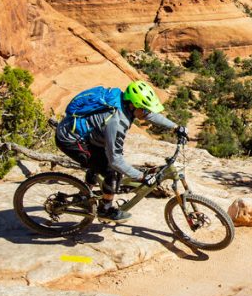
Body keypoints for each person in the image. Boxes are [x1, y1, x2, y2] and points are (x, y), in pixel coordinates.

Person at [54, 80, 188, 222]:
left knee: (102, 162)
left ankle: (83, 195)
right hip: (71, 140)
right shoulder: (117, 122)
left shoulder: (123, 100)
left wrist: (175, 127)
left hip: (84, 134)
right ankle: (105, 210)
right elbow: (116, 160)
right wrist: (141, 177)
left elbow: (149, 115)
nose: (148, 113)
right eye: (145, 109)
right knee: (112, 172)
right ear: (134, 105)